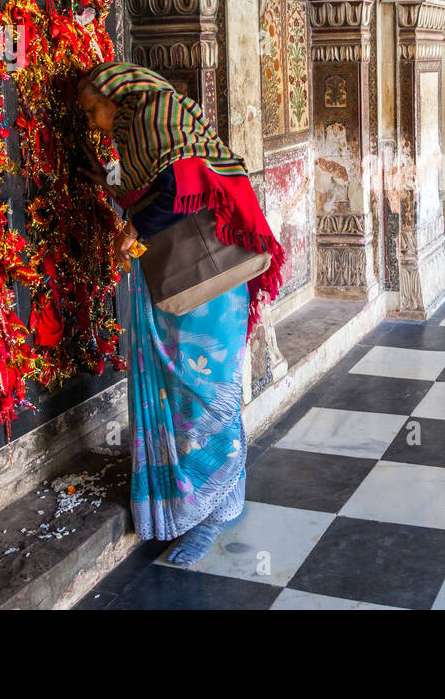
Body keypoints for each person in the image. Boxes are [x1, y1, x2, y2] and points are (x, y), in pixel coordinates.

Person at [76, 60, 284, 566]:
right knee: (193, 392)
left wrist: (133, 228)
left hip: (206, 291)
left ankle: (214, 510)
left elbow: (178, 190)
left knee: (204, 391)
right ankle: (194, 504)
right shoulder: (143, 130)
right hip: (190, 285)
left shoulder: (152, 117)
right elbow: (165, 188)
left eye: (92, 110)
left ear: (115, 94)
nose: (93, 123)